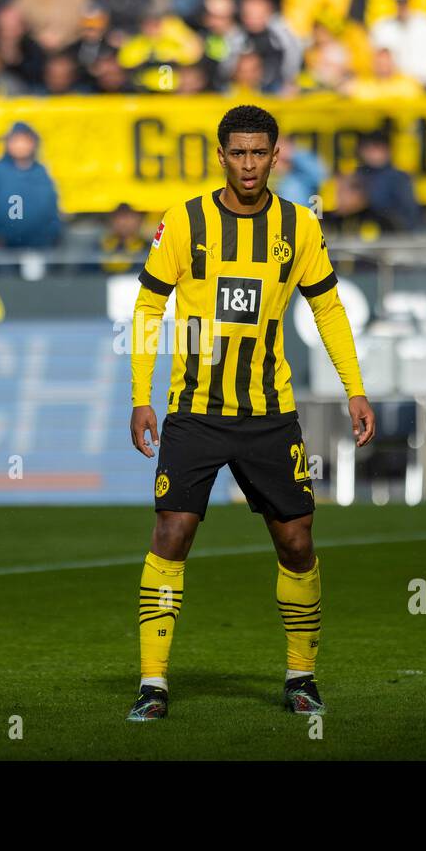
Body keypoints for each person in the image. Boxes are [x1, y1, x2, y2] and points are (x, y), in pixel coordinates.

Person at [126, 105, 376, 721]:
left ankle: (301, 677)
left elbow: (328, 310)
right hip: (195, 411)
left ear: (274, 155)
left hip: (269, 414)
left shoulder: (300, 226)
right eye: (236, 153)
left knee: (296, 541)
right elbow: (148, 309)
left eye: (257, 153)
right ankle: (153, 685)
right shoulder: (185, 221)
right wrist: (140, 395)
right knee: (171, 533)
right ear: (221, 156)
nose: (247, 164)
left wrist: (356, 388)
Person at [0, 122, 61, 250]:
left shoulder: (41, 172)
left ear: (33, 144)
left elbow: (51, 206)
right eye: (16, 141)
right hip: (1, 246)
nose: (21, 146)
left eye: (25, 141)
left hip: (37, 246)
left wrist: (49, 234)